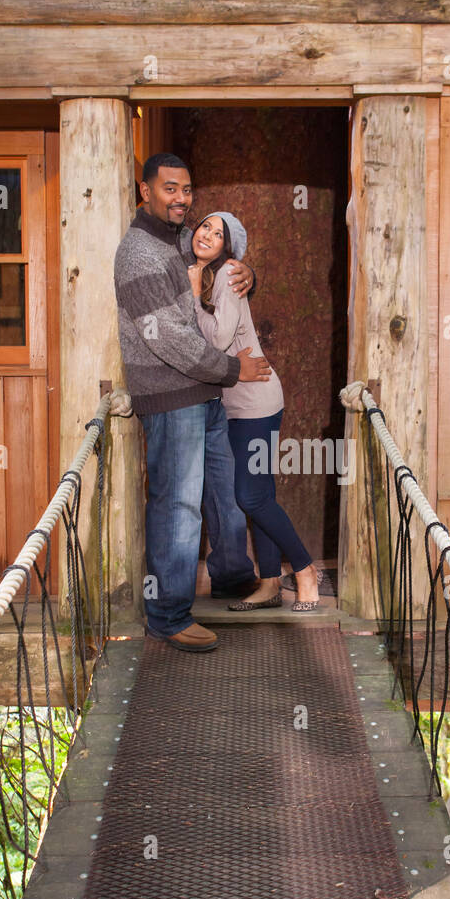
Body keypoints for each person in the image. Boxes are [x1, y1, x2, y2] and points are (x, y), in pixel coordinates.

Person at [113, 154, 273, 653]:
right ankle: (167, 615)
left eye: (186, 190)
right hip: (170, 395)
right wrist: (232, 370)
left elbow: (216, 257)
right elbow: (169, 340)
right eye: (169, 189)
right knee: (177, 504)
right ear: (145, 191)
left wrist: (245, 272)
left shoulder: (177, 239)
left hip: (204, 395)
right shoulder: (139, 252)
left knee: (222, 494)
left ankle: (230, 575)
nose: (180, 198)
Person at [188, 212, 320, 612]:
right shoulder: (214, 273)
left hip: (255, 404)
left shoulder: (227, 274)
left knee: (250, 497)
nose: (208, 235)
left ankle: (304, 570)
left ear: (230, 248)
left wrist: (195, 297)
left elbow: (219, 337)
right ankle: (268, 583)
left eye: (218, 233)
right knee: (260, 494)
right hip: (238, 406)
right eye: (205, 227)